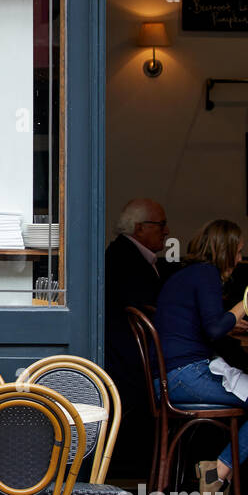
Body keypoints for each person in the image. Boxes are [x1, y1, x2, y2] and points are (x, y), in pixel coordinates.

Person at [153, 219, 248, 493]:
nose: (241, 258)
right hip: (183, 376)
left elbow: (206, 326)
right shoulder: (206, 274)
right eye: (238, 251)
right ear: (225, 250)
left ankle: (217, 470)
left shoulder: (189, 274)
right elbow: (214, 328)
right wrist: (245, 304)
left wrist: (229, 324)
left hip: (170, 376)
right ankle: (217, 471)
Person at [104, 199, 170, 479]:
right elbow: (148, 308)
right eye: (161, 225)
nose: (167, 232)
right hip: (129, 359)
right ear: (141, 228)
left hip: (128, 355)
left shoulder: (130, 253)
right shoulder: (126, 257)